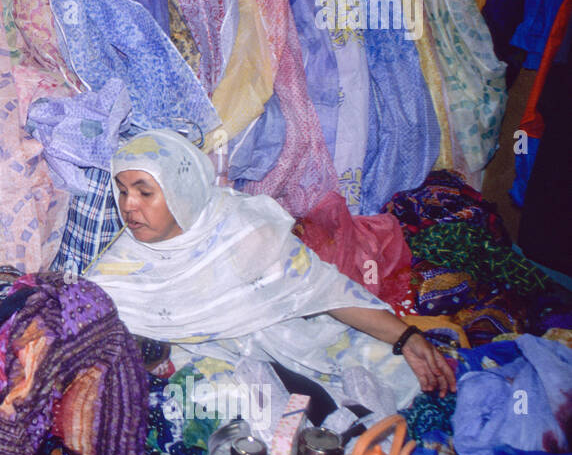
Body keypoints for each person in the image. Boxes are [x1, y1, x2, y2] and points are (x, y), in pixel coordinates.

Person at [85, 130, 456, 410]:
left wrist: (405, 337)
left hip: (292, 342)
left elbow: (323, 289)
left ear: (181, 189)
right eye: (121, 191)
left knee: (403, 381)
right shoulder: (118, 267)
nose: (129, 205)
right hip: (222, 376)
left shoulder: (241, 229)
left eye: (144, 192)